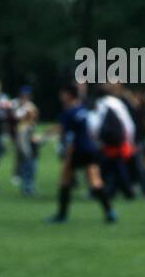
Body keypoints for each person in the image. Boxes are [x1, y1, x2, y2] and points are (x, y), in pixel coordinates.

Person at [46, 83, 116, 224]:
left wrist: (43, 136)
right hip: (90, 149)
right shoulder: (82, 108)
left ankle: (61, 215)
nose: (61, 96)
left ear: (68, 95)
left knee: (64, 180)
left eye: (63, 93)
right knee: (95, 181)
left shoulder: (69, 112)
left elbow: (66, 132)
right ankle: (109, 212)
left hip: (77, 149)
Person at [94, 82, 136, 200]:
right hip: (119, 141)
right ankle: (122, 191)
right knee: (117, 166)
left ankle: (118, 191)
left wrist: (97, 141)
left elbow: (96, 125)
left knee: (113, 167)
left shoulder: (101, 104)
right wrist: (130, 140)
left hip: (108, 143)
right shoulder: (117, 103)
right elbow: (128, 124)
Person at [11, 86, 41, 195]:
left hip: (28, 135)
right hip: (23, 136)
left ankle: (26, 185)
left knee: (28, 162)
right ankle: (25, 185)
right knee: (26, 161)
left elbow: (34, 117)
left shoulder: (30, 107)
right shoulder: (18, 106)